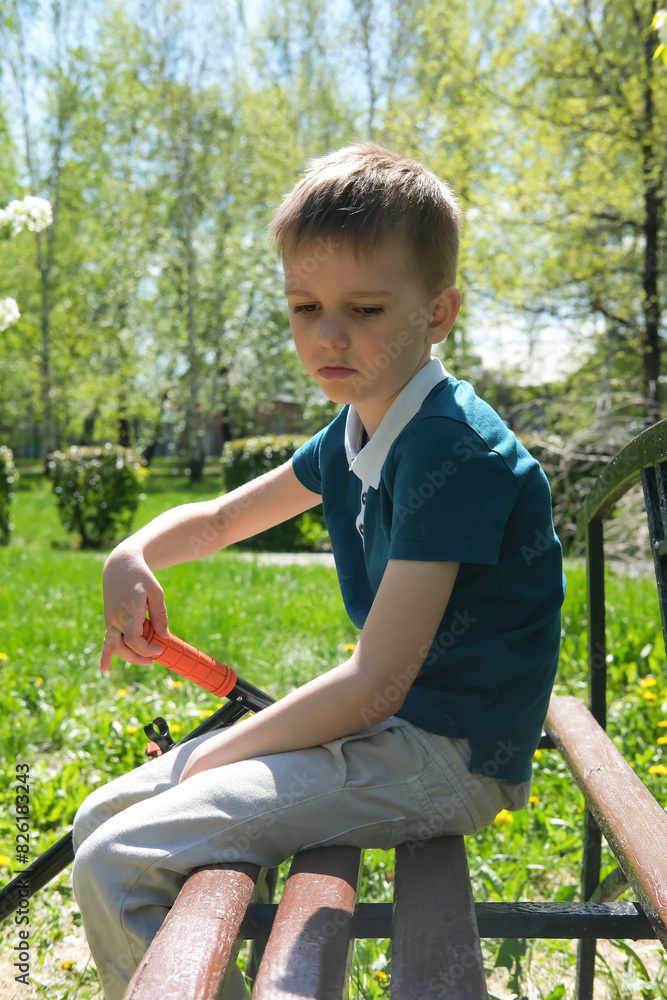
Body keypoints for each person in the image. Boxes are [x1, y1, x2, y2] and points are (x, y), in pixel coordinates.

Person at [72, 141, 565, 999]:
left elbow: (374, 686)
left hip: (450, 756)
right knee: (96, 818)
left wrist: (213, 756)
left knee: (120, 859)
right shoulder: (359, 425)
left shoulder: (453, 448)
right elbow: (224, 519)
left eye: (366, 308)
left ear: (437, 311)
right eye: (305, 306)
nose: (328, 335)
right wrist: (133, 550)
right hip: (396, 728)